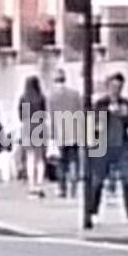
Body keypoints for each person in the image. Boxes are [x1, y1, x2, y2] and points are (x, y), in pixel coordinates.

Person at [88, 73, 128, 224]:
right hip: (103, 145)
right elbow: (94, 123)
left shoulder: (126, 104)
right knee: (98, 180)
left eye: (119, 87)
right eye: (113, 87)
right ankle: (93, 211)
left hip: (122, 145)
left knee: (126, 179)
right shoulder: (101, 104)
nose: (116, 90)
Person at [48, 68, 83, 198]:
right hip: (73, 130)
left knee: (61, 162)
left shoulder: (52, 97)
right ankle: (73, 187)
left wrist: (51, 135)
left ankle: (61, 188)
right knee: (74, 160)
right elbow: (81, 113)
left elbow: (51, 116)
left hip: (60, 131)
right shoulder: (75, 94)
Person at [18, 75, 48, 197]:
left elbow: (20, 114)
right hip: (39, 125)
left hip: (27, 126)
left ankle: (31, 185)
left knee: (30, 157)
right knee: (40, 158)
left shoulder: (23, 98)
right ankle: (39, 184)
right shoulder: (41, 97)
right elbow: (44, 113)